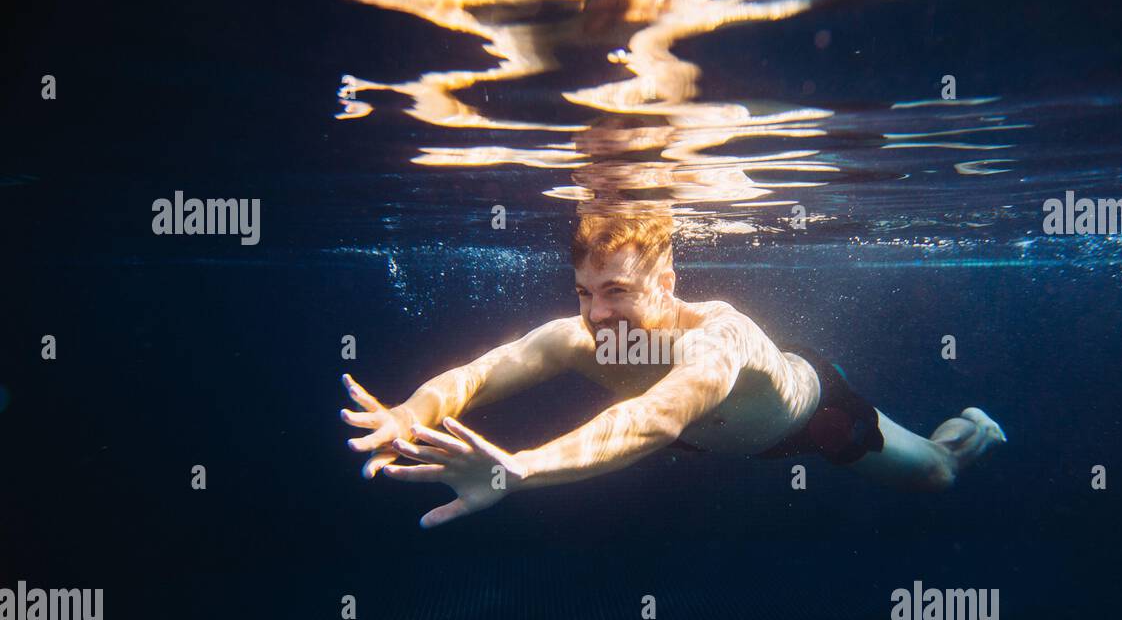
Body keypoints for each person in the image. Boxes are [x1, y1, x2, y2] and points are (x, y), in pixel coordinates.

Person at [340, 213, 1006, 528]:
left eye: (618, 292)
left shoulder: (719, 340)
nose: (596, 315)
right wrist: (409, 412)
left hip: (812, 418)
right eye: (583, 292)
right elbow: (482, 372)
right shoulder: (579, 337)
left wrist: (519, 469)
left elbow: (653, 418)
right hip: (721, 428)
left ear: (665, 282)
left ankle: (970, 426)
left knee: (937, 476)